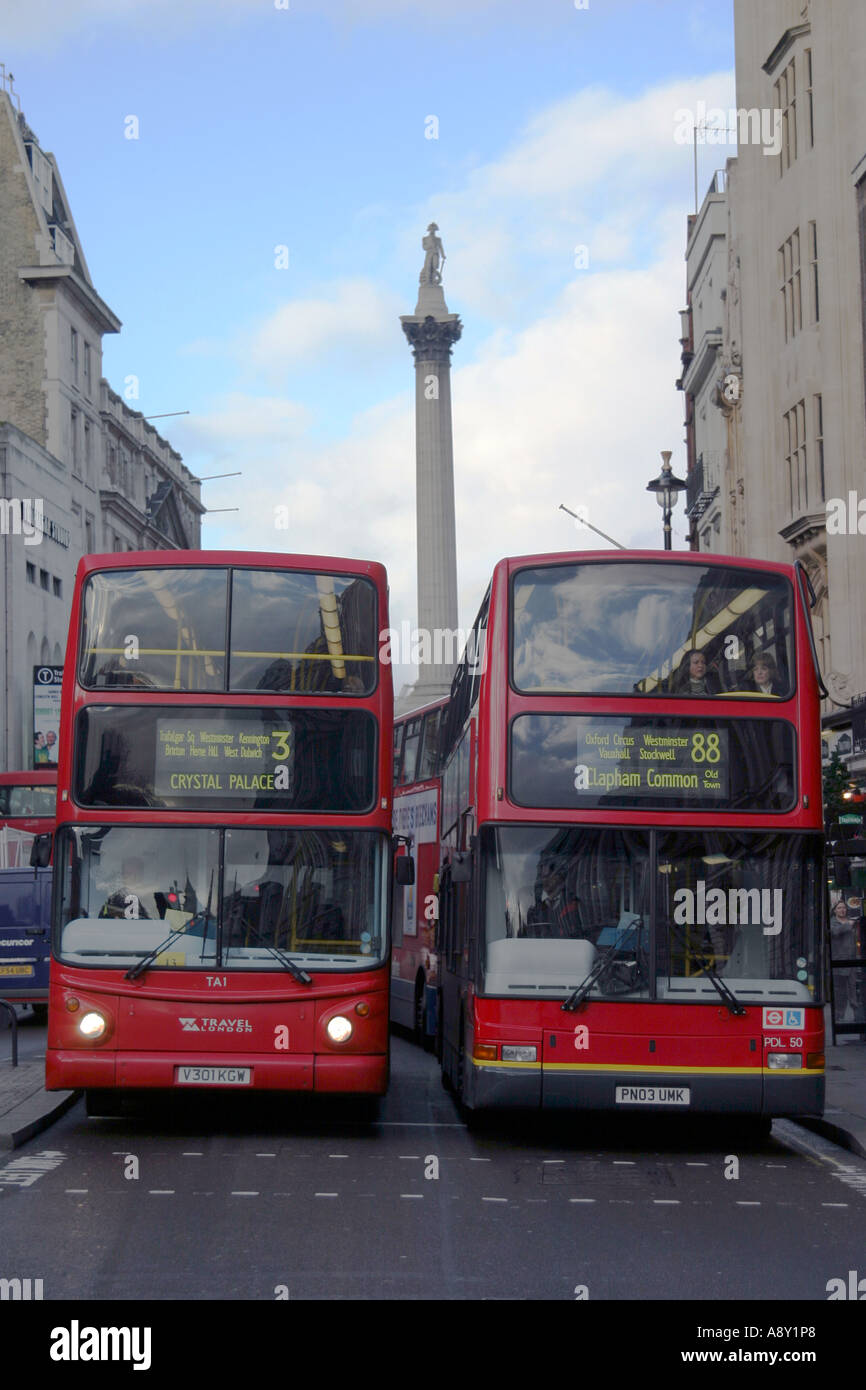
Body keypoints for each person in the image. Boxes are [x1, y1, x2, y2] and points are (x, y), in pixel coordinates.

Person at [525, 861, 582, 939]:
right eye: (541, 876)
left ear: (558, 876)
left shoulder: (576, 904)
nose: (543, 880)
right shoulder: (536, 911)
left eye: (547, 876)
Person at [830, 898, 860, 1026]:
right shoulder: (833, 922)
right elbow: (835, 932)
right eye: (839, 908)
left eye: (844, 908)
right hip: (839, 961)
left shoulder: (850, 921)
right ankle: (839, 1016)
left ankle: (858, 1016)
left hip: (852, 961)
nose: (842, 910)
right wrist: (848, 925)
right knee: (840, 991)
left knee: (853, 989)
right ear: (835, 910)